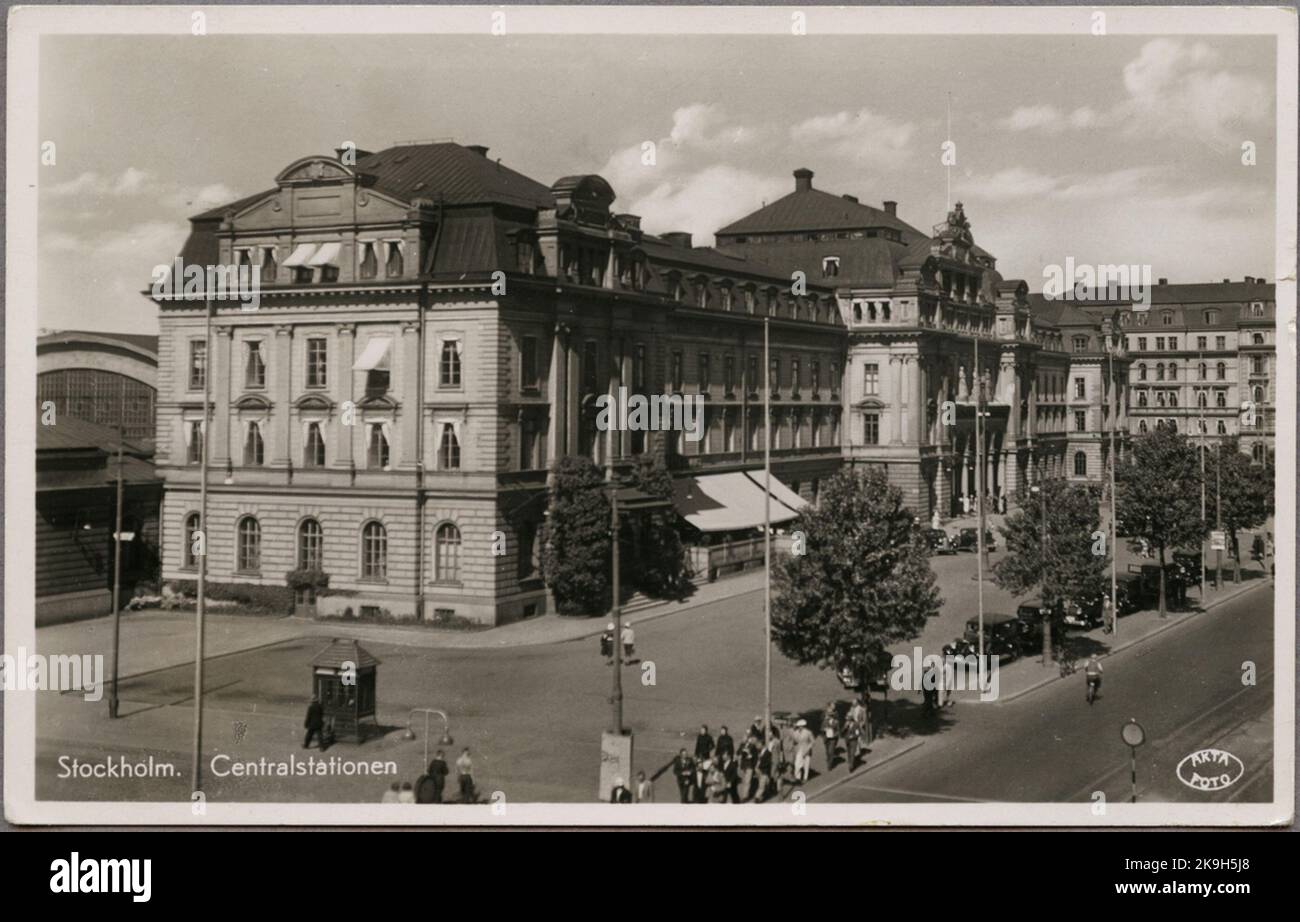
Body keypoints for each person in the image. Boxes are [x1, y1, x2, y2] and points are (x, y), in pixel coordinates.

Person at [793, 719, 815, 783]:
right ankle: (797, 777)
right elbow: (795, 741)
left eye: (801, 726)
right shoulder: (796, 732)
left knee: (806, 765)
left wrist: (808, 748)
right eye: (799, 726)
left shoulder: (808, 732)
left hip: (807, 750)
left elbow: (813, 742)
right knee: (797, 764)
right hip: (799, 750)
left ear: (804, 726)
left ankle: (805, 778)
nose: (800, 727)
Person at [821, 703, 839, 769]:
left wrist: (835, 735)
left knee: (831, 751)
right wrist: (824, 729)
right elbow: (822, 729)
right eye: (829, 715)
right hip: (826, 738)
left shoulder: (836, 722)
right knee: (827, 751)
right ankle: (828, 759)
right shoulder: (825, 721)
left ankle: (829, 765)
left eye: (831, 715)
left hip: (833, 739)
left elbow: (838, 731)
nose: (830, 716)